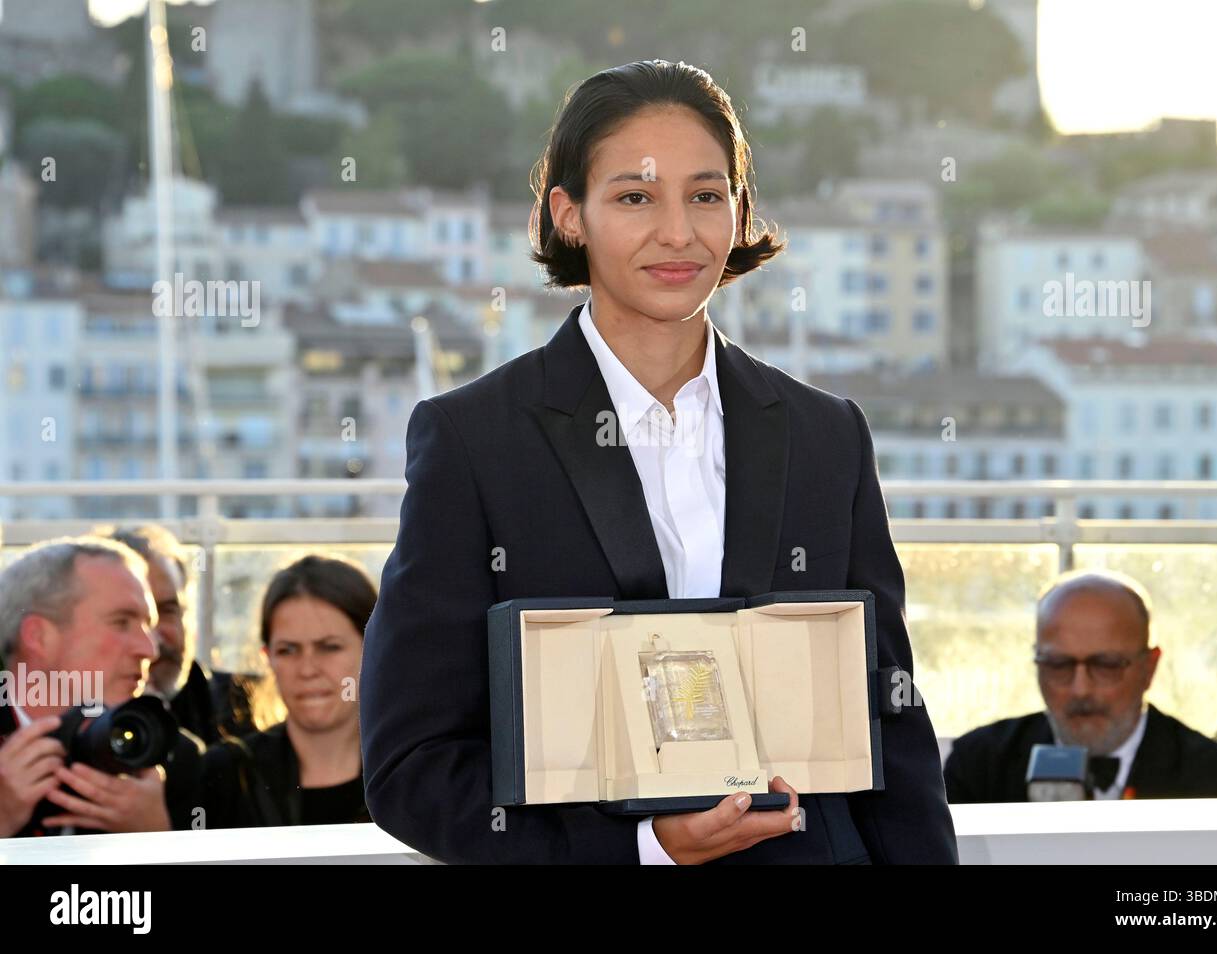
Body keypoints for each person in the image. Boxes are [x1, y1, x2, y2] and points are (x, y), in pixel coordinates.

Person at [360, 59, 957, 864]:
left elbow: (895, 731)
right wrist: (643, 848)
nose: (678, 232)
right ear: (569, 215)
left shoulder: (828, 436)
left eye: (706, 196)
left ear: (740, 213)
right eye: (636, 197)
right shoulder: (474, 442)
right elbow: (411, 765)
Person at [944, 569, 1217, 802]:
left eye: (1106, 666)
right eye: (1058, 665)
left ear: (1149, 667)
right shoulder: (979, 765)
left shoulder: (1214, 779)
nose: (1080, 690)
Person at [0, 537, 201, 837]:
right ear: (39, 636)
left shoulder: (171, 756)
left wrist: (155, 839)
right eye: (121, 623)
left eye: (149, 626)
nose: (150, 649)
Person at [199, 555, 373, 828]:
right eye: (287, 650)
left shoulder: (411, 771)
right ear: (267, 658)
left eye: (329, 647)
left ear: (372, 649)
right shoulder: (227, 775)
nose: (307, 669)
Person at [106, 525, 220, 745]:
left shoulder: (240, 714)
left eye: (167, 611)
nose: (152, 642)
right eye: (125, 619)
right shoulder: (56, 715)